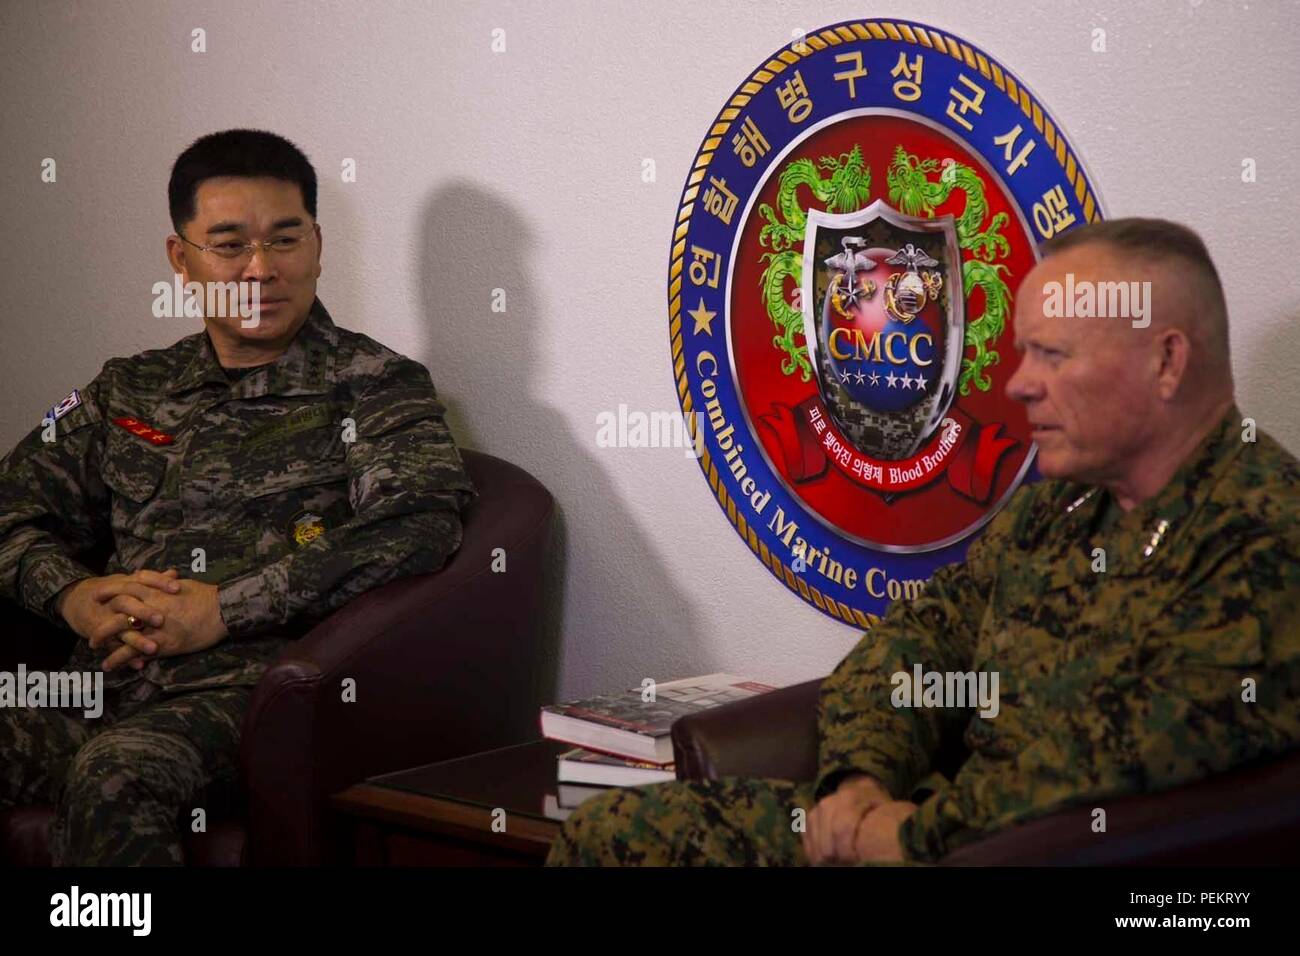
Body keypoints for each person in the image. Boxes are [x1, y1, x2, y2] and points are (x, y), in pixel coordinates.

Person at [547, 217, 1300, 866]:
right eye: (1023, 351)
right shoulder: (1061, 509)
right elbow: (916, 644)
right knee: (616, 833)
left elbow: (1126, 767)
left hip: (1026, 856)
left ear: (1166, 361)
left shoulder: (1264, 534)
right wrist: (860, 780)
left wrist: (914, 838)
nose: (1019, 384)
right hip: (922, 833)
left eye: (1055, 356)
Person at [0, 129, 475, 865]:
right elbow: (10, 506)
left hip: (250, 700)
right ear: (180, 258)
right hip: (97, 686)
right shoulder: (127, 387)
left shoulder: (375, 383)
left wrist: (221, 610)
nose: (261, 269)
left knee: (116, 774)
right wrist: (70, 594)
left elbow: (415, 526)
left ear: (317, 245)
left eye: (285, 241)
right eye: (229, 245)